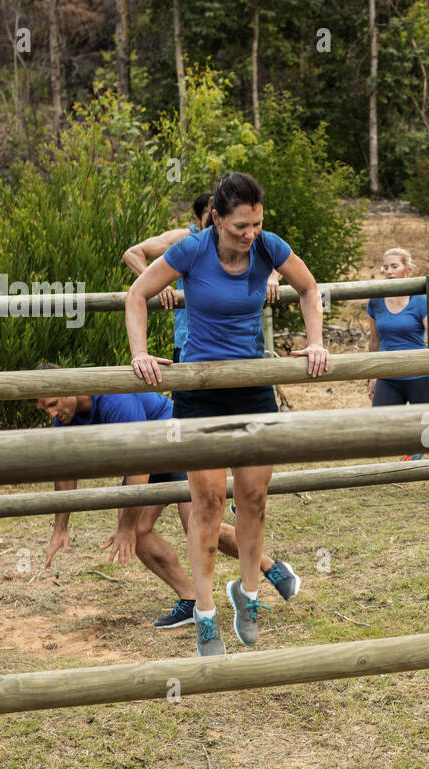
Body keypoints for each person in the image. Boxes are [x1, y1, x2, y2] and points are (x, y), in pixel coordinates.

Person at [124, 171, 329, 657]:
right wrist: (140, 354)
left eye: (256, 224)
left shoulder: (268, 247)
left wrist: (315, 342)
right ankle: (206, 612)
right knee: (209, 503)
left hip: (253, 385)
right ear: (215, 218)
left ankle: (249, 594)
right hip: (200, 388)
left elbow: (310, 289)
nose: (249, 234)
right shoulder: (192, 250)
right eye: (240, 225)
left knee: (254, 497)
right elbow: (137, 295)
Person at [35, 376, 300, 630]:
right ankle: (192, 600)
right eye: (44, 408)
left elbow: (138, 465)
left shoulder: (114, 401)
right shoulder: (65, 420)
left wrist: (125, 527)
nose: (51, 413)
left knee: (199, 528)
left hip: (176, 446)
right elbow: (65, 473)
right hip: (150, 458)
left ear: (70, 391)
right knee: (138, 532)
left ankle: (269, 566)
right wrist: (60, 529)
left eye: (53, 404)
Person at [122, 193, 280, 363]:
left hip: (239, 346)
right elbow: (132, 254)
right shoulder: (185, 240)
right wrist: (157, 284)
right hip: (189, 341)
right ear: (200, 219)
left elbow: (282, 259)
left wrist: (272, 276)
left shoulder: (243, 240)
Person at [364, 247, 429, 495]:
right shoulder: (376, 300)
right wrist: (372, 376)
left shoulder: (420, 300)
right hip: (388, 376)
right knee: (381, 426)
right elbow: (374, 341)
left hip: (420, 374)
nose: (388, 271)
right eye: (385, 267)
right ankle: (415, 449)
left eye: (394, 266)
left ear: (408, 270)